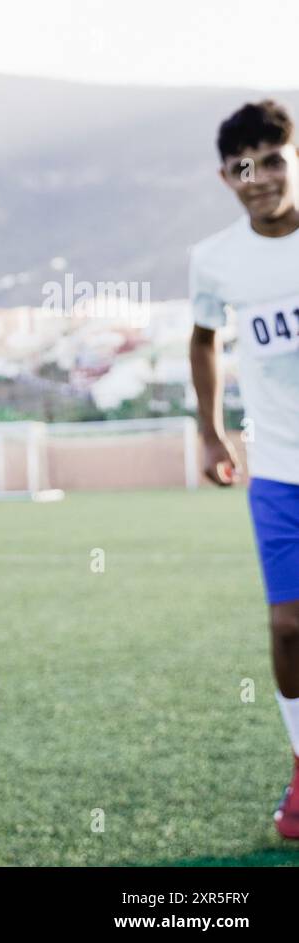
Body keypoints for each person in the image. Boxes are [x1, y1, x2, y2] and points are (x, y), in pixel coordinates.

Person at [189, 99, 299, 838]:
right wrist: (211, 431)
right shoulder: (216, 259)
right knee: (289, 629)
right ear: (226, 176)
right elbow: (203, 341)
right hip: (281, 474)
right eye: (243, 167)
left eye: (274, 159)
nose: (259, 178)